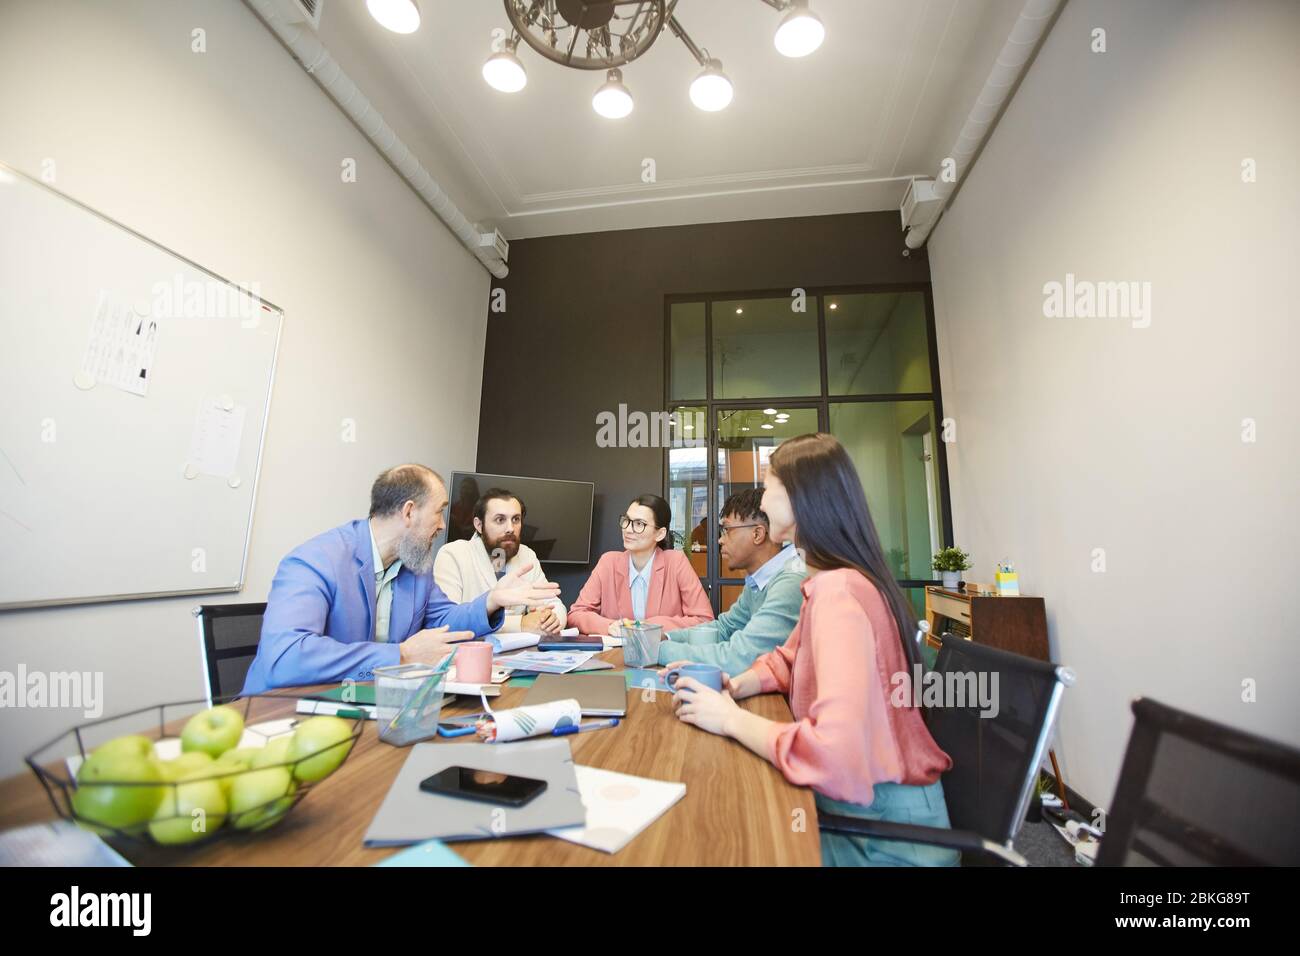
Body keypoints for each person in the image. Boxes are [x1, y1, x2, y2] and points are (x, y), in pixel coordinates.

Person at [667, 434, 958, 867]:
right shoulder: (833, 579)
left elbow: (833, 755)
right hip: (857, 811)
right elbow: (789, 658)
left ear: (800, 496)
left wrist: (730, 719)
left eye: (769, 486)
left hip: (885, 840)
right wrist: (741, 683)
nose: (762, 499)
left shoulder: (840, 593)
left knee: (719, 843)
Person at [241, 464, 560, 694]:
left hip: (369, 704)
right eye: (439, 512)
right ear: (409, 512)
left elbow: (446, 619)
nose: (442, 525)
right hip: (280, 711)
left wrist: (492, 601)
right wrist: (402, 656)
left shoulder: (415, 568)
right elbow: (286, 658)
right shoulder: (314, 561)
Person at [657, 488, 805, 674]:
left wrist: (657, 650)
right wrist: (667, 638)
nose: (720, 540)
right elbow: (726, 628)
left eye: (727, 530)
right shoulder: (760, 580)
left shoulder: (791, 581)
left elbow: (740, 658)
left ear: (757, 534)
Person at [568, 494, 713, 635]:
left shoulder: (676, 562)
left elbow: (704, 620)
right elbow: (576, 614)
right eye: (627, 520)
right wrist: (609, 626)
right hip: (614, 656)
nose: (628, 529)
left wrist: (652, 628)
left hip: (663, 655)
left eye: (639, 524)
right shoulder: (608, 562)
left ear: (660, 534)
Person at [434, 487, 566, 634]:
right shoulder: (452, 554)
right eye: (500, 520)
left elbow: (555, 605)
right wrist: (520, 623)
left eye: (516, 519)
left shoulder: (527, 555)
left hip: (521, 653)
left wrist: (550, 620)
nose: (510, 528)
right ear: (479, 525)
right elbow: (447, 623)